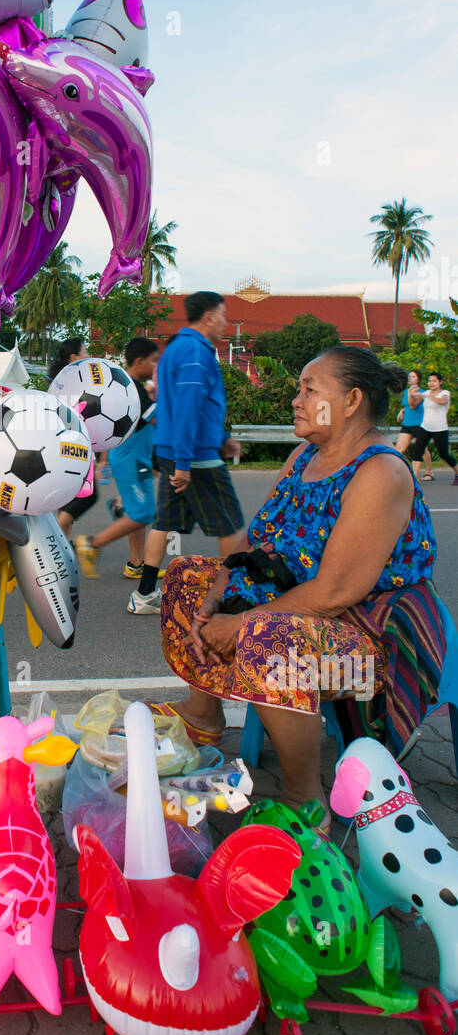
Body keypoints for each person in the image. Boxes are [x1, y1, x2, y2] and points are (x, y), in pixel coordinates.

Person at [157, 347, 444, 824]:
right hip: (299, 608)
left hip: (366, 649)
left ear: (351, 400)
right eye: (299, 390)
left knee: (267, 640)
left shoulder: (381, 471)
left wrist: (239, 622)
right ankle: (204, 716)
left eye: (310, 390)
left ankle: (304, 799)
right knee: (187, 574)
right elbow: (255, 541)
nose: (297, 399)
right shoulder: (303, 456)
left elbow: (335, 593)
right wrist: (215, 594)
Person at [131, 292, 244, 614]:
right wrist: (185, 462)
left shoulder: (176, 349)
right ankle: (232, 599)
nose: (225, 323)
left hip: (175, 448)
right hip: (194, 455)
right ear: (209, 317)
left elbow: (188, 405)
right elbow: (188, 408)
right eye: (223, 316)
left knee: (164, 522)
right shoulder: (196, 352)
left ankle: (143, 595)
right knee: (229, 523)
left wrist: (222, 437)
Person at [75, 338, 160, 578]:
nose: (155, 367)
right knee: (143, 513)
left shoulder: (132, 387)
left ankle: (136, 564)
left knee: (139, 512)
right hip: (132, 461)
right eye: (154, 361)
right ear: (139, 361)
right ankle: (91, 544)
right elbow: (153, 417)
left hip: (134, 459)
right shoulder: (133, 389)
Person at [52, 339, 106, 539]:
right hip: (74, 449)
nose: (88, 355)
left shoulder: (61, 380)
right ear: (74, 358)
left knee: (68, 503)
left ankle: (63, 551)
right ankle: (54, 539)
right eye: (85, 351)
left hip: (67, 448)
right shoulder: (73, 384)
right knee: (88, 496)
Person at [409, 371, 457, 486]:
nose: (431, 383)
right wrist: (411, 394)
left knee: (444, 454)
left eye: (434, 381)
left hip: (440, 428)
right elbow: (413, 404)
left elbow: (443, 401)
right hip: (425, 427)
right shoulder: (426, 393)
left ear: (440, 382)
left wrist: (428, 395)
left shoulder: (445, 393)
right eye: (430, 381)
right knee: (417, 451)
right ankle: (413, 479)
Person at [395, 369, 432, 478]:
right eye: (409, 376)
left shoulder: (421, 392)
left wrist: (412, 393)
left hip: (418, 424)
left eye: (413, 376)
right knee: (399, 450)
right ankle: (398, 472)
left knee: (422, 449)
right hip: (407, 423)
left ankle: (428, 473)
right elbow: (407, 406)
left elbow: (412, 405)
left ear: (418, 379)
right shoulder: (406, 391)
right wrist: (402, 411)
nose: (410, 378)